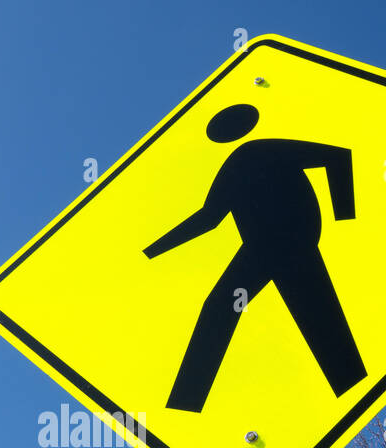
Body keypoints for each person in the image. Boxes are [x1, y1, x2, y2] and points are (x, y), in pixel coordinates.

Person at [144, 103, 367, 413]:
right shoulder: (236, 163)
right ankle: (185, 405)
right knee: (304, 311)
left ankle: (185, 402)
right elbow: (209, 218)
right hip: (265, 246)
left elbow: (337, 156)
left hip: (288, 239)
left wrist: (346, 218)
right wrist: (153, 250)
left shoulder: (263, 150)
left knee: (305, 311)